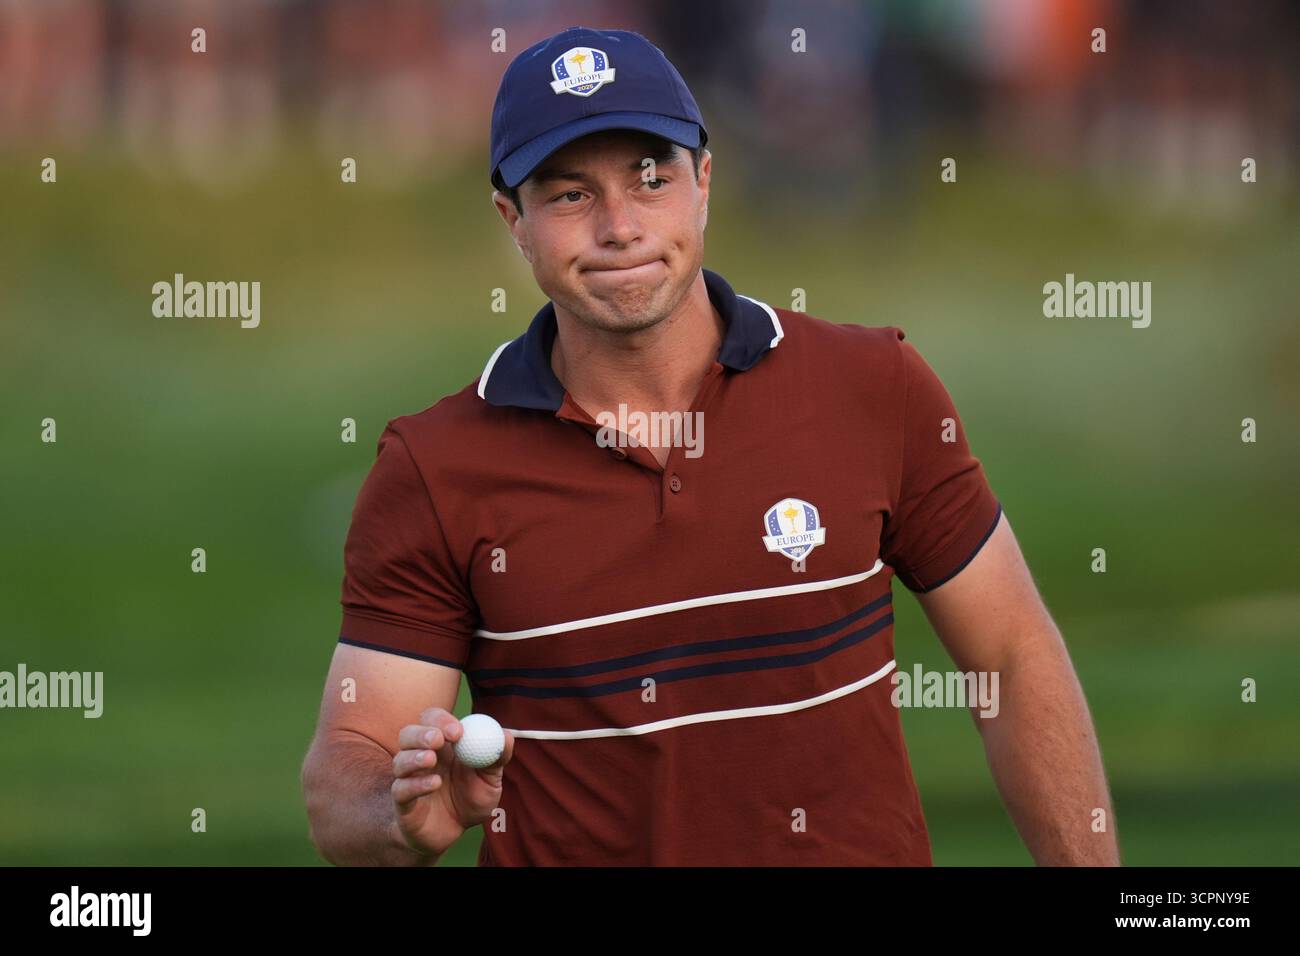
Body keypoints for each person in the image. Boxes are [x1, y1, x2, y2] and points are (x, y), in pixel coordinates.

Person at [301, 26, 1119, 866]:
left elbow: (1014, 659)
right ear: (513, 218)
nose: (620, 226)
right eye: (570, 195)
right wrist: (397, 813)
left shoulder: (873, 387)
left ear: (705, 182)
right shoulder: (435, 468)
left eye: (651, 178)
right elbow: (343, 779)